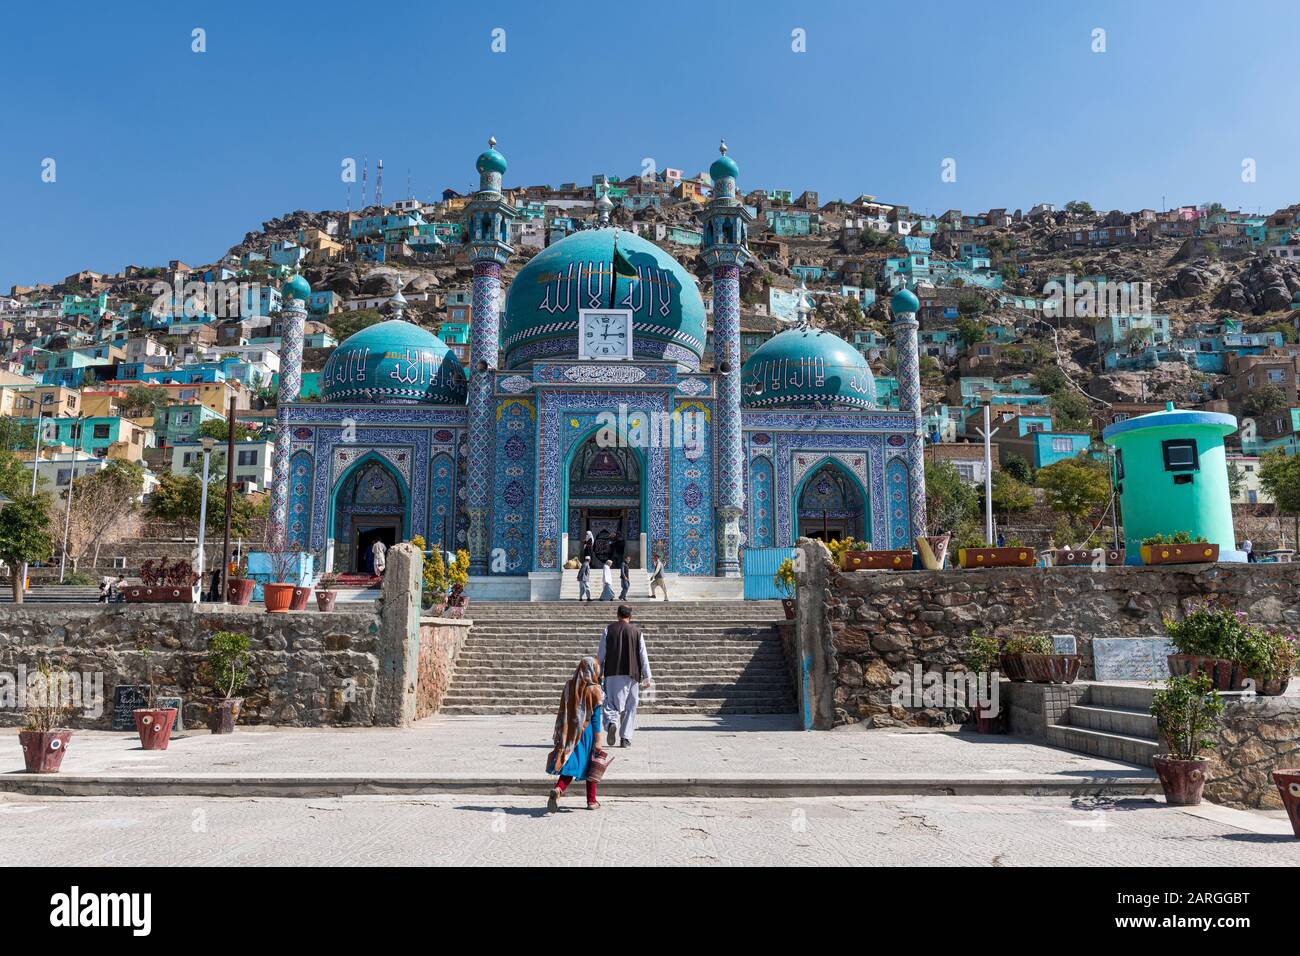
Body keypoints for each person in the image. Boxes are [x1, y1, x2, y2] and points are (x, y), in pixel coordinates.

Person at [545, 656, 606, 812]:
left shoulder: (569, 685)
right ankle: (591, 801)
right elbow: (595, 720)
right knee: (592, 765)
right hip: (587, 733)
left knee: (570, 763)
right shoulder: (594, 690)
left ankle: (558, 790)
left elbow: (562, 709)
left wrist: (560, 731)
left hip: (570, 731)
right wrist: (598, 741)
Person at [598, 605, 652, 748]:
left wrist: (598, 673)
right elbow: (643, 655)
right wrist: (647, 676)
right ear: (630, 616)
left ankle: (611, 723)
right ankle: (625, 738)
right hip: (633, 674)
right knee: (630, 706)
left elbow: (601, 654)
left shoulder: (608, 630)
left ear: (617, 615)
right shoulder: (637, 632)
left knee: (611, 703)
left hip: (612, 673)